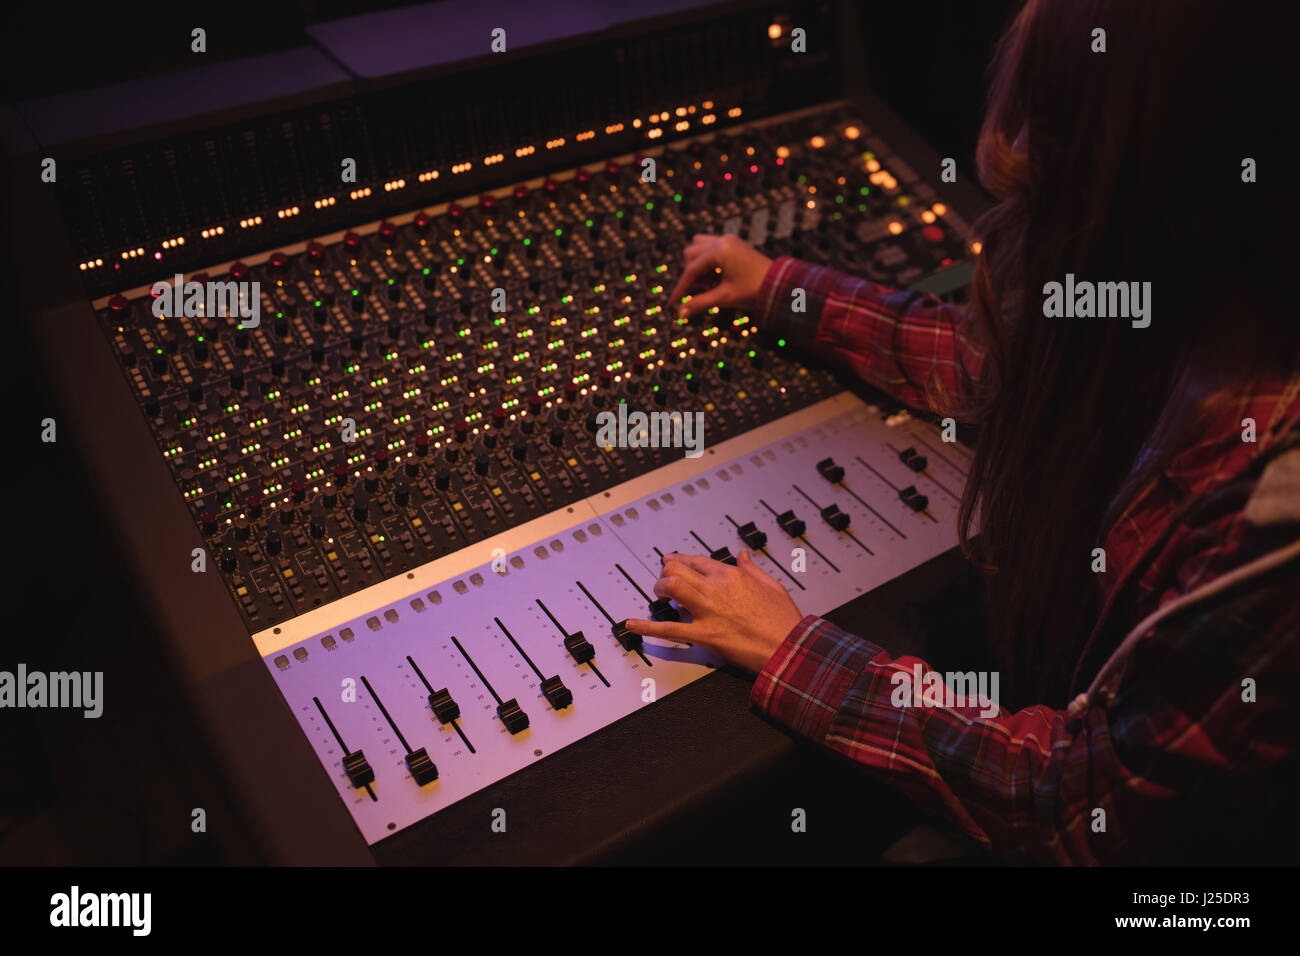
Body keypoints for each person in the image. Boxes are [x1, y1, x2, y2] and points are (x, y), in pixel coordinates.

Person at [625, 0, 1300, 865]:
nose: (1009, 225)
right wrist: (787, 290)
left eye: (1036, 194)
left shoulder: (1269, 532)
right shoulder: (1210, 314)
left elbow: (1072, 804)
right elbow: (1010, 375)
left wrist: (792, 648)